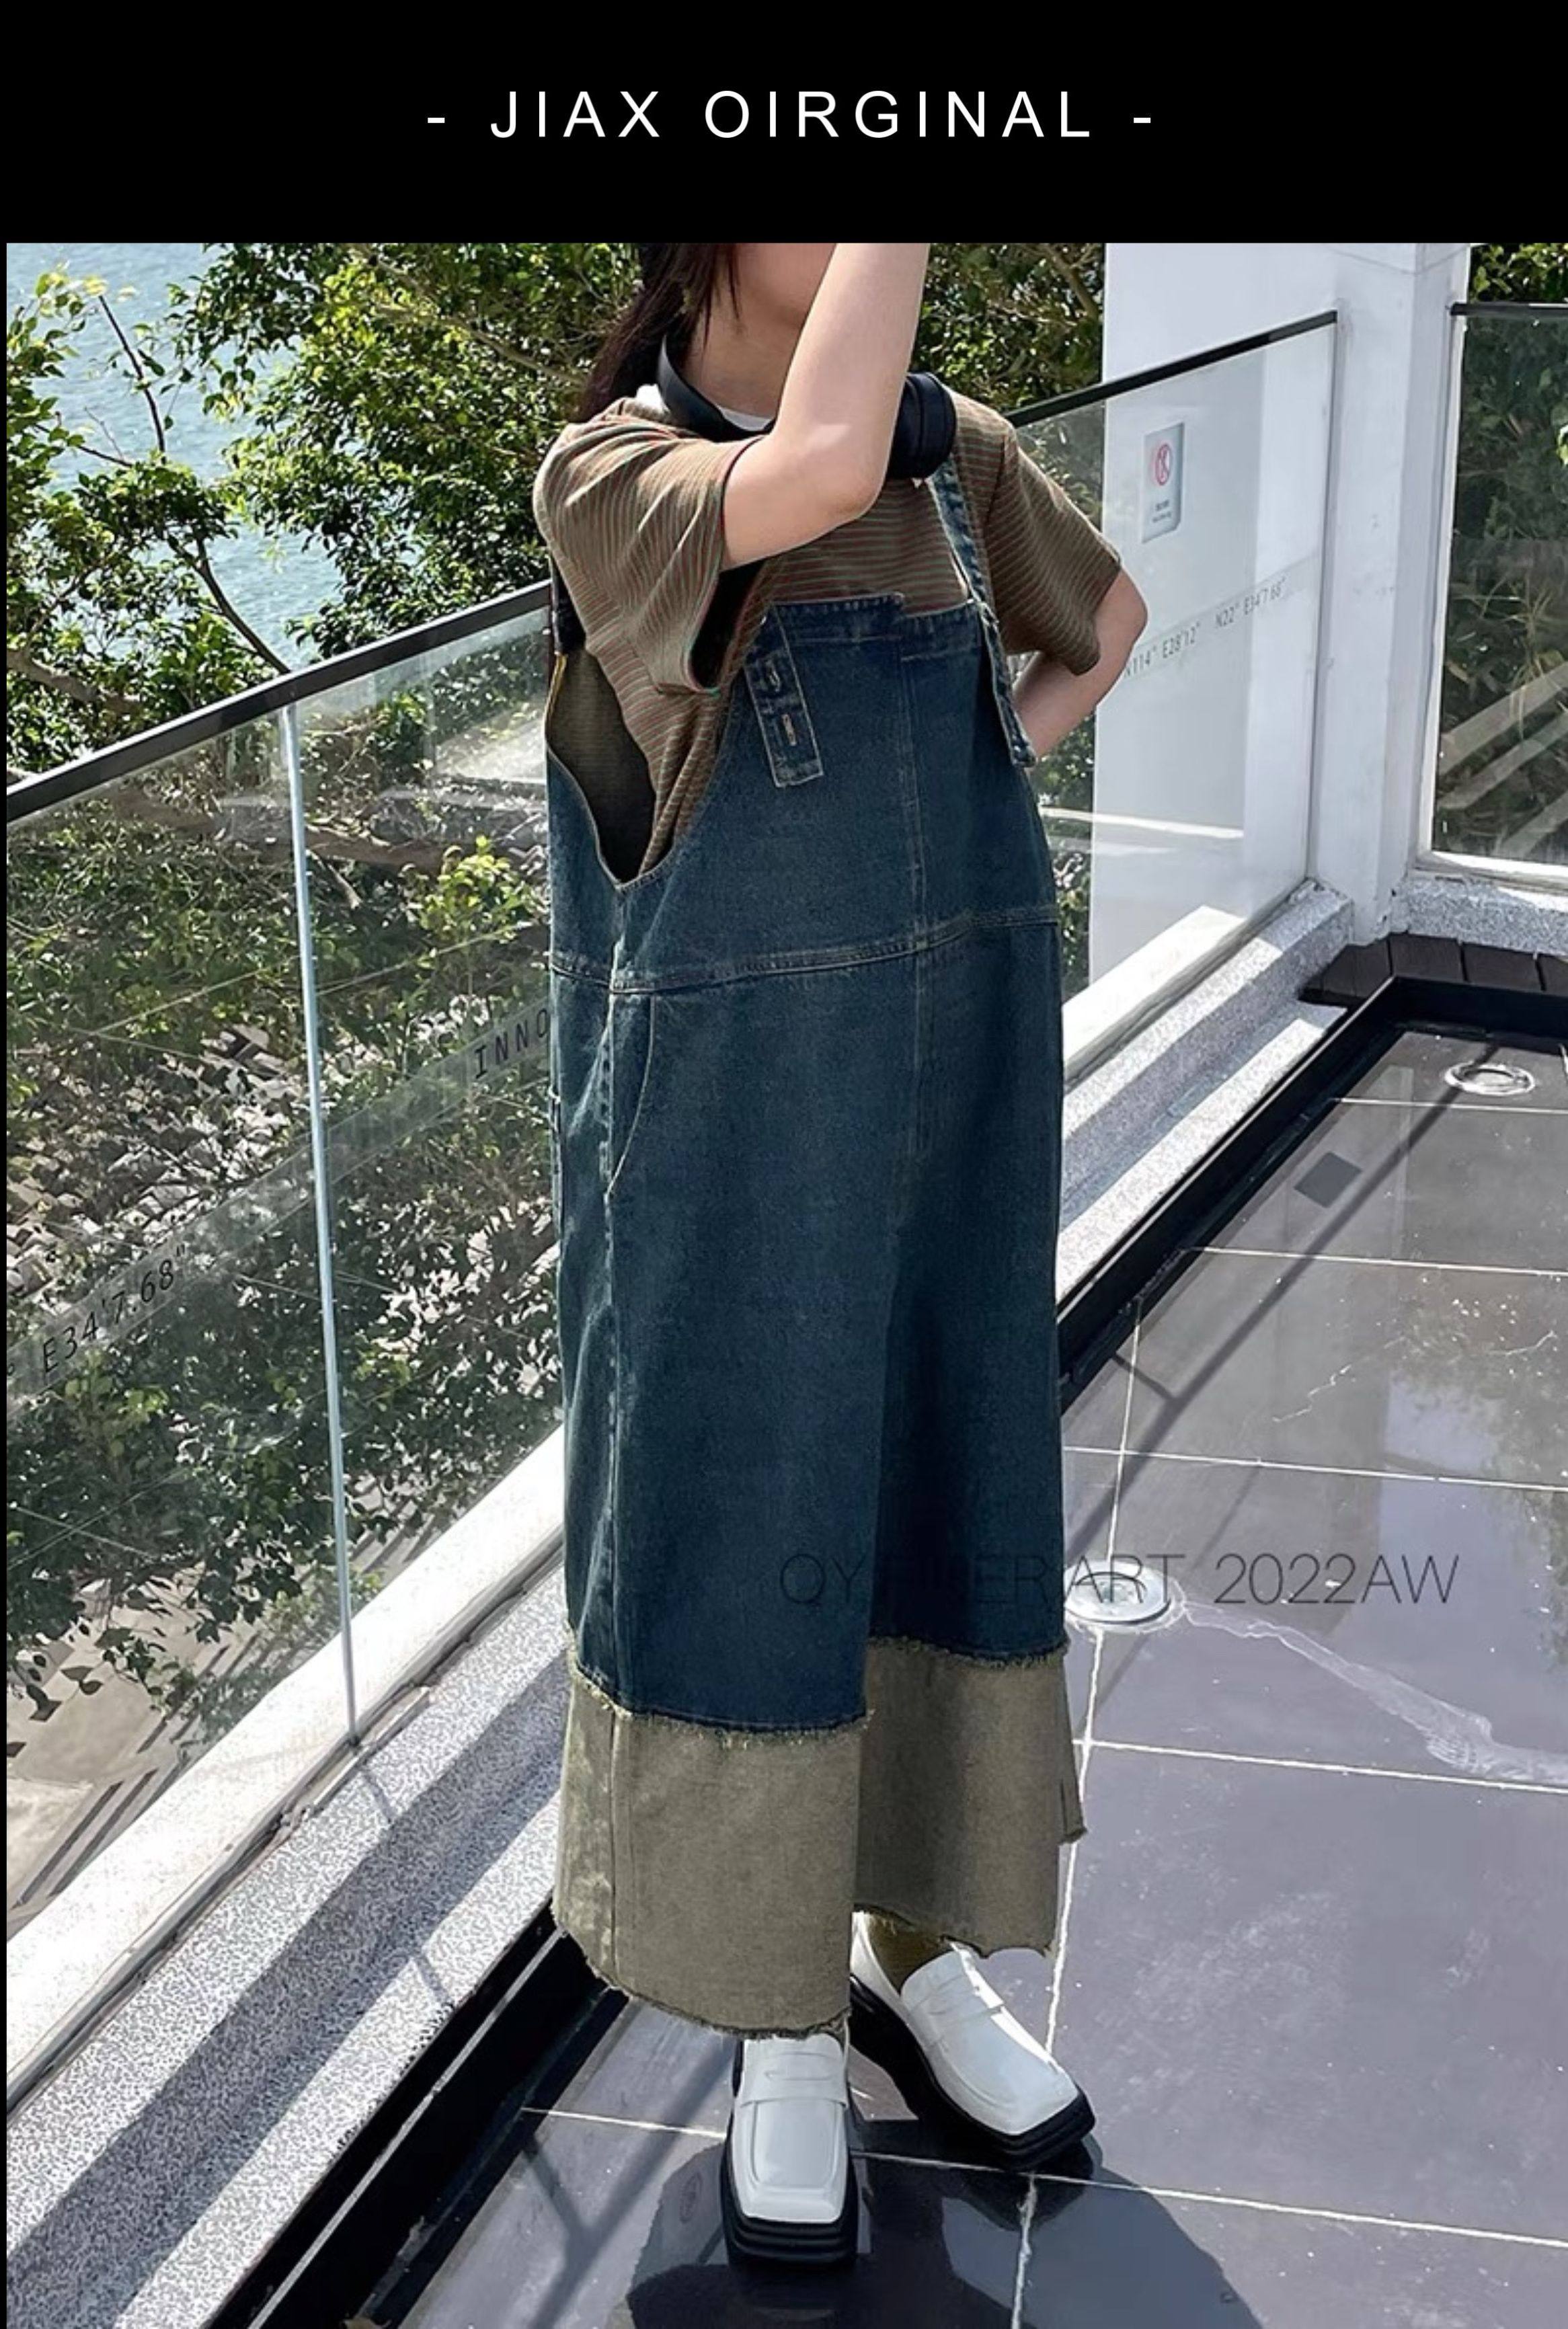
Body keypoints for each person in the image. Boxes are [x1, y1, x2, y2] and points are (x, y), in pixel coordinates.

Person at [533, 243, 1146, 2266]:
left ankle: (911, 1943)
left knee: (940, 1486)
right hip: (727, 1128)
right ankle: (774, 2011)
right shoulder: (614, 477)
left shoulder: (953, 456)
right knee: (750, 1518)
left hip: (952, 1080)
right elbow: (796, 474)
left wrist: (1003, 754)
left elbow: (1106, 625)